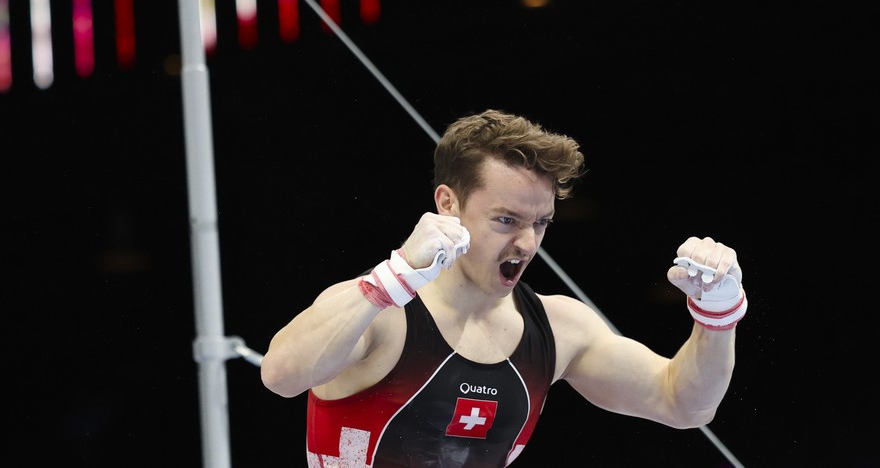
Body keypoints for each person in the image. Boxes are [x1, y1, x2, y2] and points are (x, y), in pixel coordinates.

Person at [259, 109, 746, 468]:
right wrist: (394, 276)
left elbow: (684, 404)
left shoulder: (561, 328)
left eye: (541, 223)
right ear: (447, 204)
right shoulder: (379, 310)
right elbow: (280, 375)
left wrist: (717, 317)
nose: (527, 242)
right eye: (506, 220)